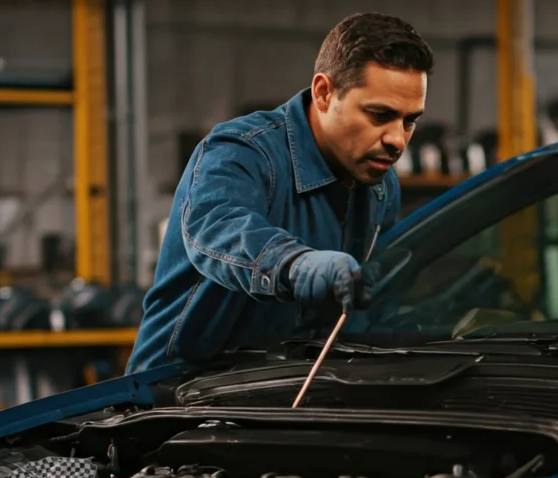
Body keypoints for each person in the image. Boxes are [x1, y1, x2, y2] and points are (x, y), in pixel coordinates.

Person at [126, 13, 433, 374]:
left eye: (409, 121)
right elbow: (219, 226)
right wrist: (295, 265)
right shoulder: (242, 151)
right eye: (379, 115)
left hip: (294, 387)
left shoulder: (381, 186)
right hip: (178, 391)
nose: (397, 140)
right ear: (324, 93)